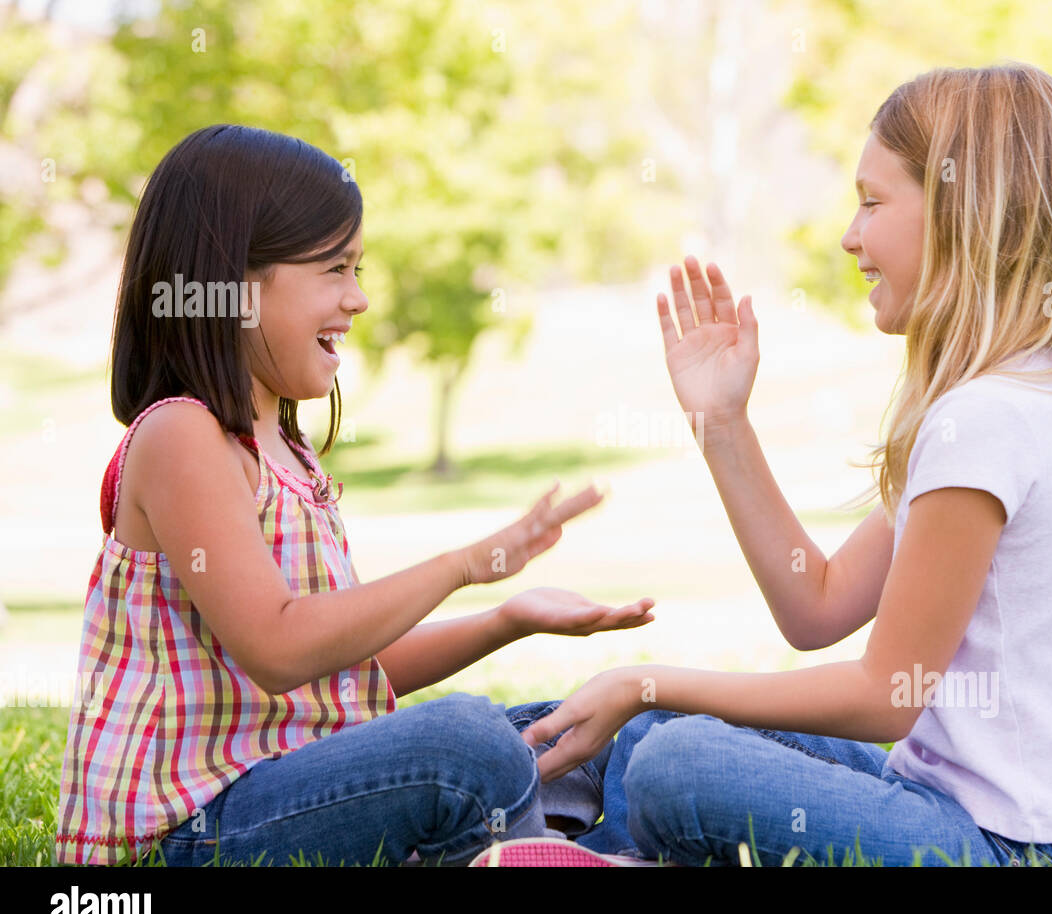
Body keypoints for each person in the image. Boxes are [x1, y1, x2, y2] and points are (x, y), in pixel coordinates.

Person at [497, 62, 1052, 867]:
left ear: (965, 213)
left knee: (678, 759)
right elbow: (818, 608)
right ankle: (590, 848)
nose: (850, 235)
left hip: (1023, 851)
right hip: (968, 819)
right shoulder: (1010, 396)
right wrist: (723, 421)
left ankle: (582, 848)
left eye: (873, 202)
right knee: (658, 736)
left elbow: (885, 695)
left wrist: (649, 678)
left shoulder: (987, 419)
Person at [53, 124, 654, 867]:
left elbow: (346, 669)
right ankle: (543, 849)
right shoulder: (183, 437)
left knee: (589, 730)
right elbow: (278, 648)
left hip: (292, 787)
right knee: (462, 744)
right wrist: (462, 565)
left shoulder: (284, 445)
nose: (359, 298)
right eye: (335, 269)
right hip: (195, 830)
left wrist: (508, 618)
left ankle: (585, 849)